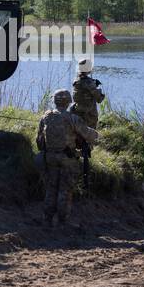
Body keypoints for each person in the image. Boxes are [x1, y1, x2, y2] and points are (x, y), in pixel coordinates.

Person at [35, 89, 98, 228]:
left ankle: (47, 219)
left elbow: (39, 140)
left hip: (49, 157)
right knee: (65, 189)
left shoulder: (45, 117)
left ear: (55, 101)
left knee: (51, 188)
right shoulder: (72, 118)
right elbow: (88, 134)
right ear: (68, 101)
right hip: (67, 159)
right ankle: (63, 221)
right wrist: (96, 134)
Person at [71, 57, 105, 130]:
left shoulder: (76, 80)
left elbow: (83, 89)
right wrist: (98, 89)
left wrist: (93, 83)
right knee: (89, 133)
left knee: (78, 132)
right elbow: (99, 99)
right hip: (88, 113)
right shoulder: (89, 82)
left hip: (77, 110)